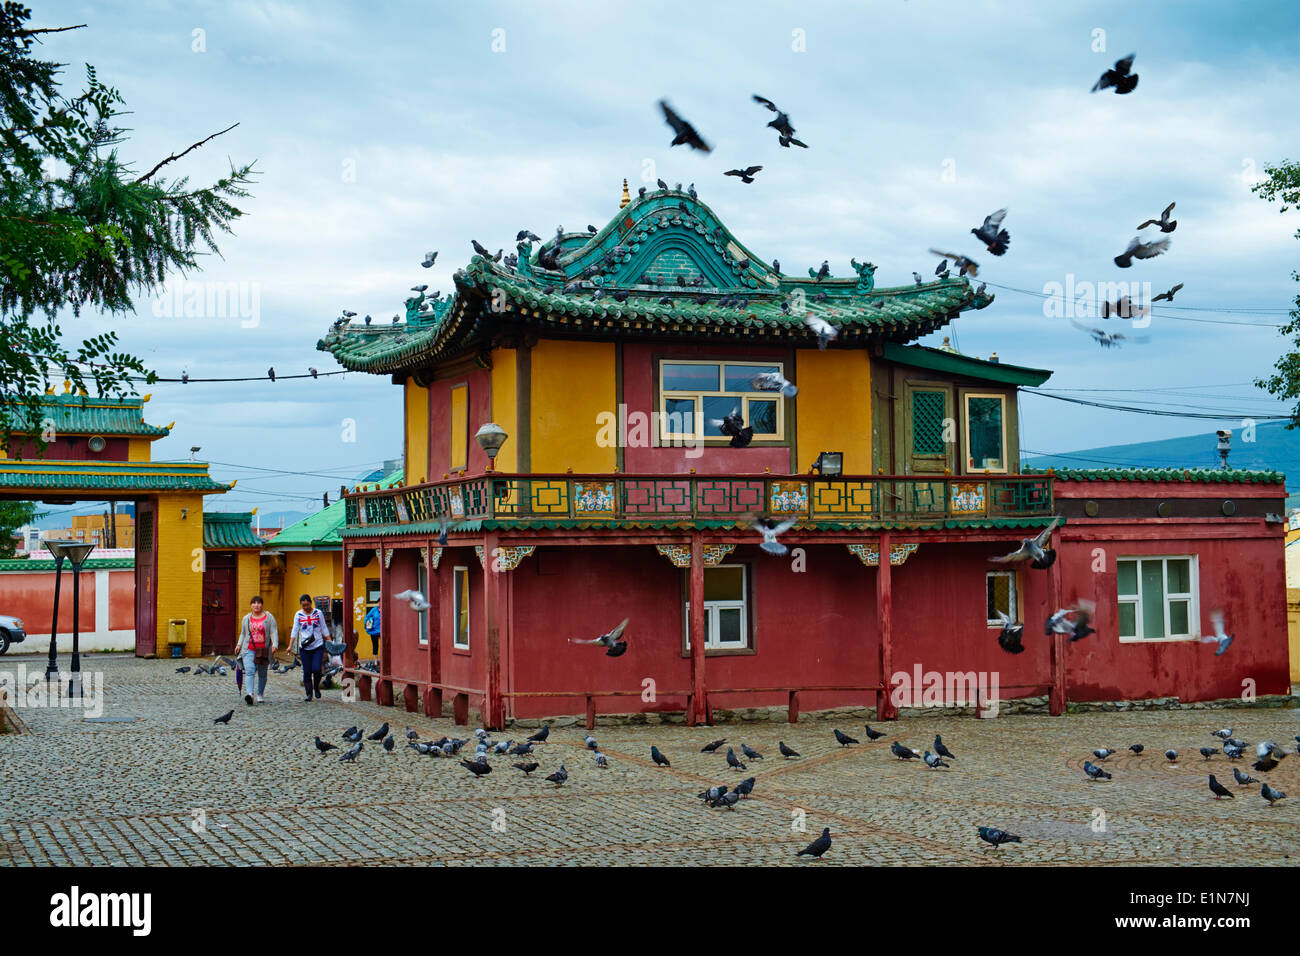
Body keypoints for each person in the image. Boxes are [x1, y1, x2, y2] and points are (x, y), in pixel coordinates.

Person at [235, 595, 278, 705]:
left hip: (263, 650)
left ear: (262, 605)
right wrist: (239, 645)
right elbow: (243, 633)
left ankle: (260, 694)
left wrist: (275, 644)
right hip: (249, 649)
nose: (256, 605)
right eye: (254, 603)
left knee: (262, 673)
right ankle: (250, 694)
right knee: (249, 671)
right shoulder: (247, 618)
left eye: (258, 603)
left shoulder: (269, 617)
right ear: (251, 605)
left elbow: (273, 631)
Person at [290, 594, 330, 702]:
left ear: (310, 603)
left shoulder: (318, 613)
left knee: (317, 669)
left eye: (307, 605)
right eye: (303, 606)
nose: (305, 607)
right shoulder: (298, 615)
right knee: (307, 671)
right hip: (304, 647)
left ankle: (316, 687)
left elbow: (324, 627)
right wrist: (290, 646)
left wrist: (329, 640)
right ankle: (309, 693)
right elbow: (294, 630)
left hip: (317, 645)